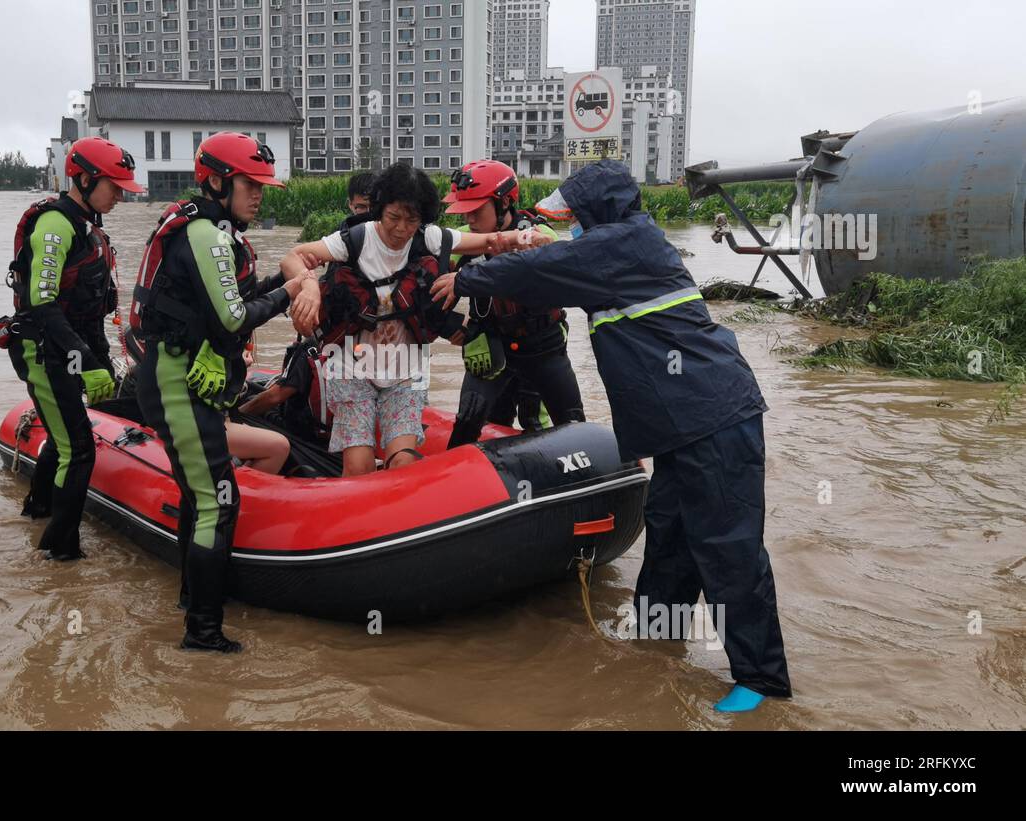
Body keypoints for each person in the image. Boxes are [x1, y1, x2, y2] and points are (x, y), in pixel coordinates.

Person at [431, 160, 792, 712]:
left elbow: (543, 269)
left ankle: (761, 681)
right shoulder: (615, 251)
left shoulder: (623, 243)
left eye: (576, 214)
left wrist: (468, 277)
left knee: (727, 547)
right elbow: (549, 264)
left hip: (714, 415)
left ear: (598, 211)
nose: (570, 224)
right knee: (669, 537)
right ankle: (654, 644)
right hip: (680, 427)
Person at [130, 131, 316, 652]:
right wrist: (290, 292)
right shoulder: (208, 234)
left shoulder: (210, 228)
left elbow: (224, 300)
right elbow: (233, 319)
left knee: (199, 496)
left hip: (181, 382)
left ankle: (193, 600)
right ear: (216, 181)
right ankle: (203, 633)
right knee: (218, 502)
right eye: (249, 184)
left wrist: (277, 284)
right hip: (176, 385)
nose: (259, 194)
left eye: (262, 186)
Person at [280, 163, 537, 477]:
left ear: (423, 219)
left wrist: (529, 239)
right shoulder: (354, 240)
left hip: (405, 372)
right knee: (358, 465)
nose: (401, 229)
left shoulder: (428, 238)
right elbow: (293, 256)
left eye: (412, 220)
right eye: (393, 217)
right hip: (350, 369)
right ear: (379, 209)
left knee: (403, 462)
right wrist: (308, 287)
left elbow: (488, 241)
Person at [5, 136, 141, 560]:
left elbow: (86, 310)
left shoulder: (88, 226)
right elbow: (41, 304)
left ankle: (37, 510)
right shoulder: (56, 225)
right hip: (44, 349)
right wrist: (87, 365)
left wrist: (101, 362)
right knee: (79, 449)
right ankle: (59, 556)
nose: (119, 195)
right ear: (83, 179)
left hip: (74, 343)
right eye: (113, 186)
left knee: (73, 434)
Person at [440, 159, 582, 448]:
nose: (470, 221)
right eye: (464, 213)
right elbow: (427, 289)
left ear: (504, 203)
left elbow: (571, 270)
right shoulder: (463, 244)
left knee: (560, 425)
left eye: (476, 211)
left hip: (543, 346)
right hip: (489, 348)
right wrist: (454, 326)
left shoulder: (541, 237)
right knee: (468, 425)